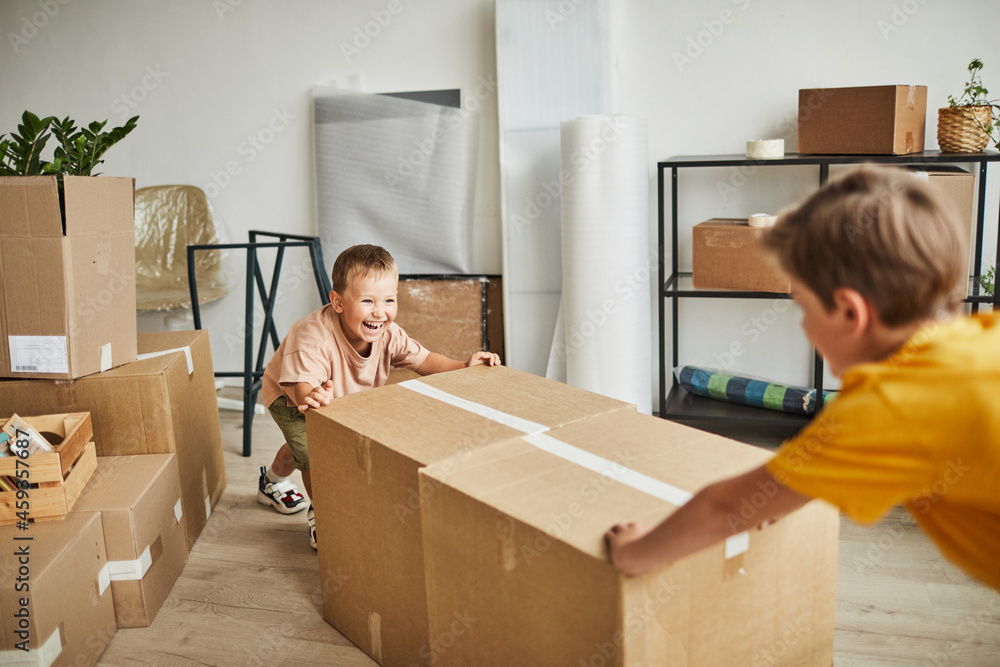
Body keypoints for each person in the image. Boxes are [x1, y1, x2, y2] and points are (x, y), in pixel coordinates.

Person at [605, 164, 1000, 592]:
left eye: (804, 309)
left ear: (851, 314)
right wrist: (790, 486)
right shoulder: (981, 337)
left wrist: (634, 552)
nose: (804, 327)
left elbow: (724, 509)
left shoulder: (887, 407)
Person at [257, 244, 501, 548]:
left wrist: (464, 366)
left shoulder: (388, 334)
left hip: (338, 397)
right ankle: (322, 514)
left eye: (389, 300)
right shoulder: (312, 338)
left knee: (299, 446)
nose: (379, 311)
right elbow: (302, 389)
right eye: (367, 301)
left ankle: (270, 483)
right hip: (293, 394)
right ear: (338, 302)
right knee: (313, 448)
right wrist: (313, 396)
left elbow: (425, 361)